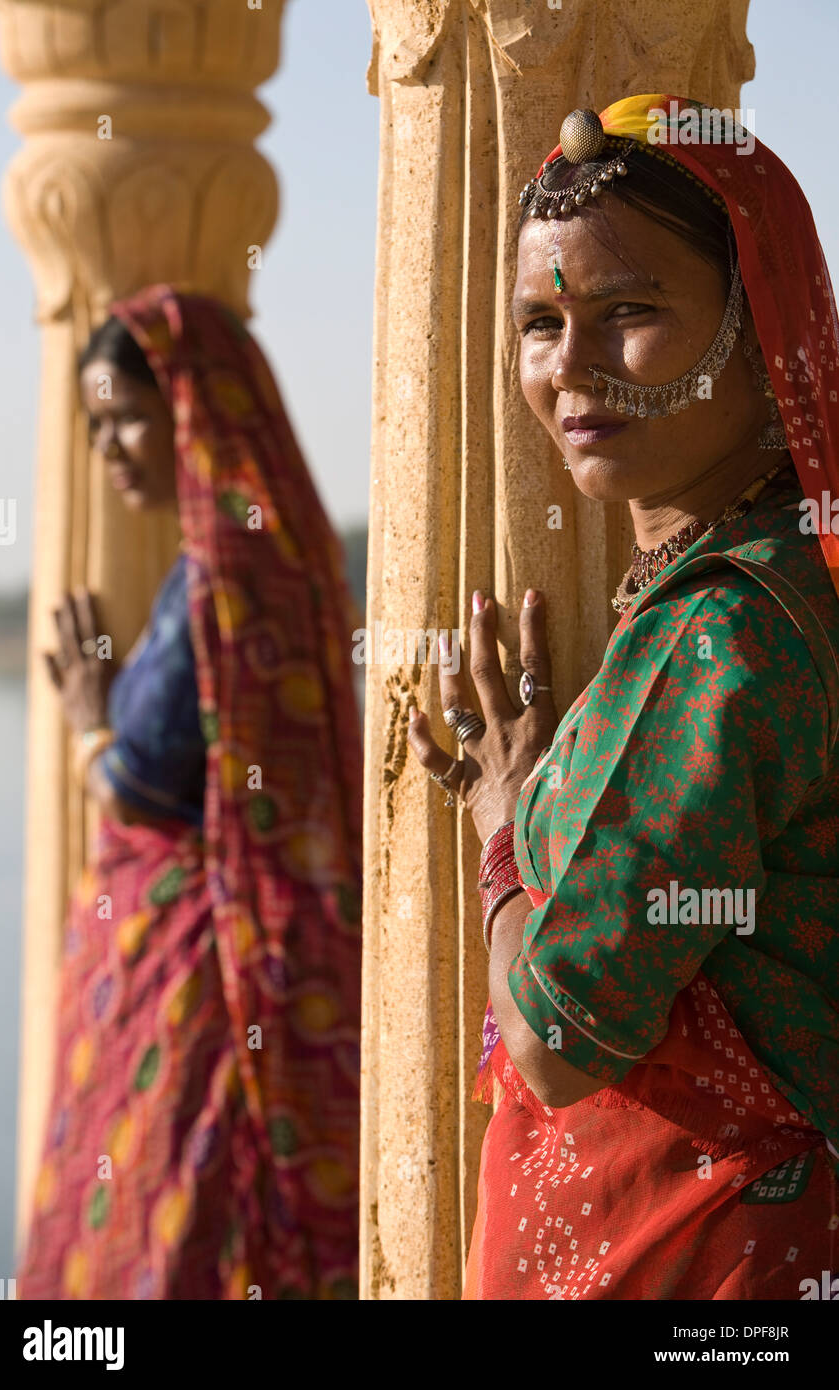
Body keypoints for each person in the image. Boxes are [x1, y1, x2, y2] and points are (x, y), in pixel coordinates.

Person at [408, 94, 839, 1300]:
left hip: (710, 1265)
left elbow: (553, 1035)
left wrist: (503, 818)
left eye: (629, 312)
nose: (569, 368)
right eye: (540, 322)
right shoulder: (769, 581)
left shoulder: (725, 628)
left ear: (759, 332)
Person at [17, 287, 363, 1300]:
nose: (108, 448)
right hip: (250, 951)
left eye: (125, 415)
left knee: (172, 1228)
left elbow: (133, 785)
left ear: (193, 407)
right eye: (95, 425)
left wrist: (89, 718)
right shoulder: (280, 563)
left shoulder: (217, 583)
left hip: (208, 979)